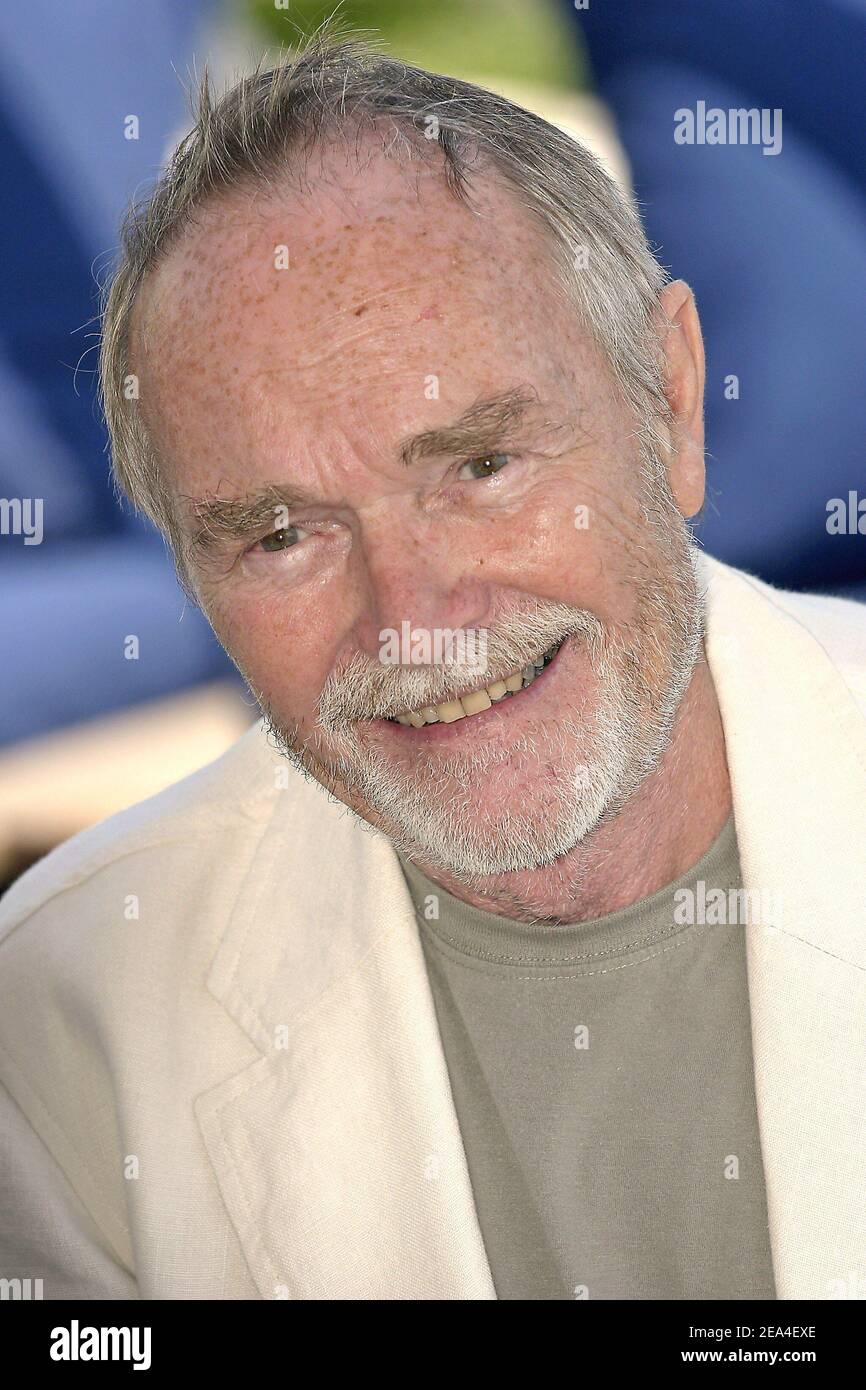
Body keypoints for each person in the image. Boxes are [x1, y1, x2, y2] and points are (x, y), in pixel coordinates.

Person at [1, 29, 864, 1301]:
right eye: (282, 534)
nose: (413, 619)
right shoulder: (63, 1013)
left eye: (477, 465)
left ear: (671, 402)